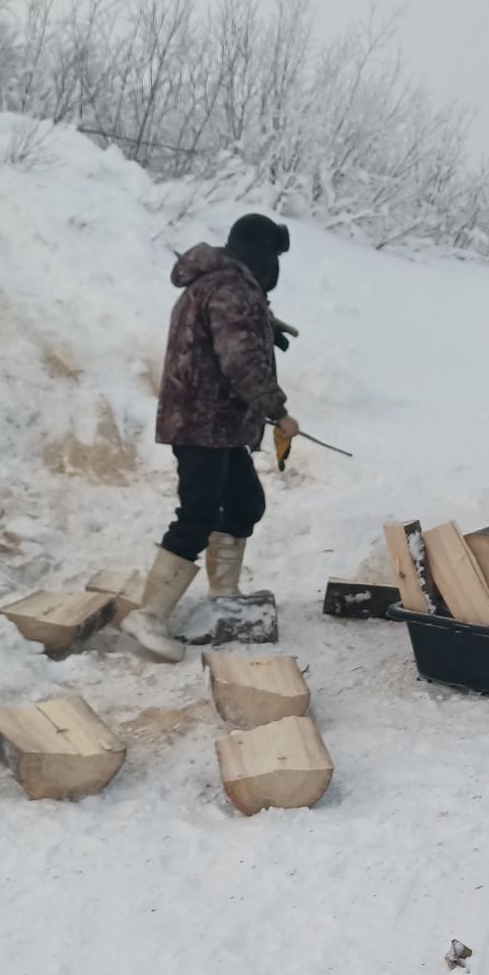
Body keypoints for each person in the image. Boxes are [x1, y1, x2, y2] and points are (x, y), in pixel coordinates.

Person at [118, 213, 299, 661]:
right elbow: (240, 362)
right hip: (204, 423)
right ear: (261, 254)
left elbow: (227, 335)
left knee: (244, 503)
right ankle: (148, 616)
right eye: (274, 256)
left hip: (215, 425)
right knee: (198, 515)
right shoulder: (232, 290)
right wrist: (278, 411)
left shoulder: (220, 285)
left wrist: (265, 325)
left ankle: (224, 595)